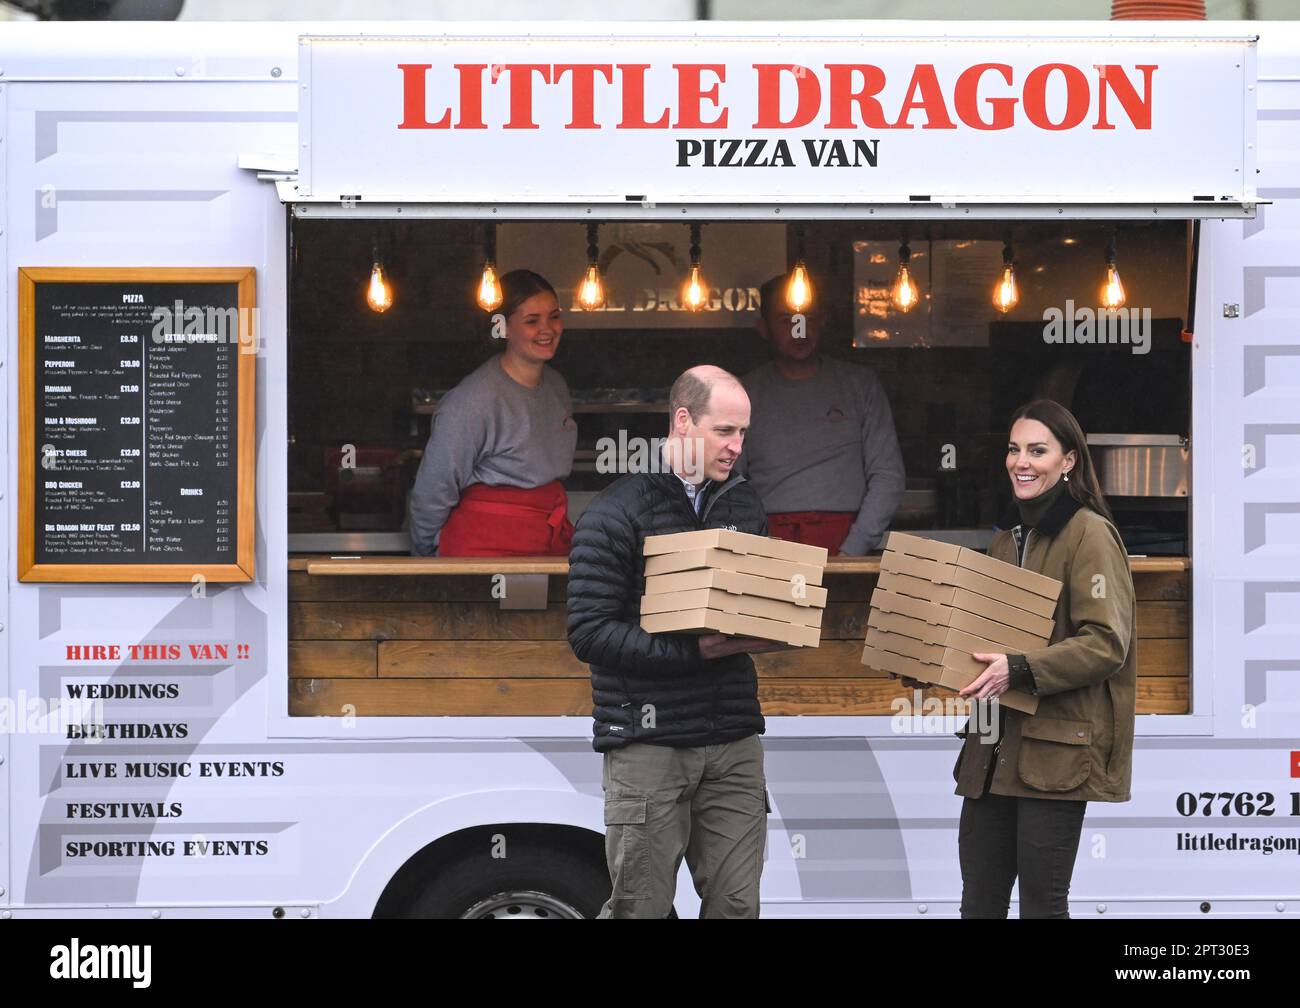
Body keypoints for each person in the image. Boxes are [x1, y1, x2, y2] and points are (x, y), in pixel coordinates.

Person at [566, 365, 792, 919]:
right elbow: (589, 632)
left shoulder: (745, 506)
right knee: (639, 909)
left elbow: (754, 611)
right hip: (649, 742)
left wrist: (777, 622)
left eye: (743, 433)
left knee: (737, 908)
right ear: (684, 421)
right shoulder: (615, 510)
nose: (737, 446)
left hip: (734, 737)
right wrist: (692, 651)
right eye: (725, 431)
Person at [950, 398, 1136, 919]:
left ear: (1069, 461)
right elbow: (985, 645)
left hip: (1055, 754)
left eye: (1038, 449)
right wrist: (936, 659)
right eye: (1014, 450)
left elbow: (1106, 643)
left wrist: (1021, 668)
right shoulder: (1004, 540)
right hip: (991, 752)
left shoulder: (1090, 534)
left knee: (1042, 907)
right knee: (978, 906)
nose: (1021, 462)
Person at [408, 269, 578, 556]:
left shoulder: (556, 386)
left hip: (546, 539)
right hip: (484, 547)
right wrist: (427, 558)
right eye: (532, 321)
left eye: (554, 316)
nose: (547, 329)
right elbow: (433, 490)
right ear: (502, 327)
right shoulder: (471, 401)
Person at [738, 273, 905, 556]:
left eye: (808, 318)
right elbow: (729, 481)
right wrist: (754, 547)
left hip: (846, 538)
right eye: (785, 320)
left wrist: (853, 550)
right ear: (763, 328)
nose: (799, 329)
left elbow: (888, 475)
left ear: (824, 321)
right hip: (768, 544)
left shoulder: (860, 385)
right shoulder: (743, 394)